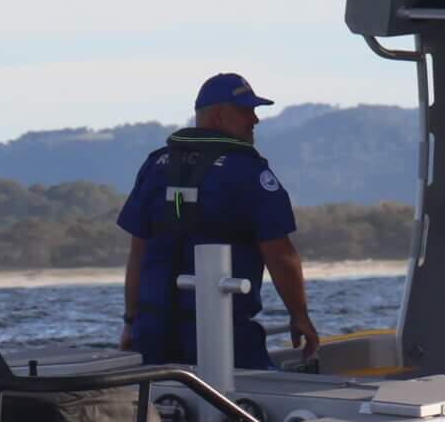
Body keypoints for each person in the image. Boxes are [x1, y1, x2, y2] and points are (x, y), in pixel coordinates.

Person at [117, 73, 320, 368]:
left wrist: (130, 322)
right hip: (224, 335)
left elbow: (138, 252)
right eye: (246, 110)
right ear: (219, 115)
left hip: (152, 335)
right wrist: (299, 316)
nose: (255, 119)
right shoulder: (248, 172)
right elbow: (280, 256)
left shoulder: (154, 166)